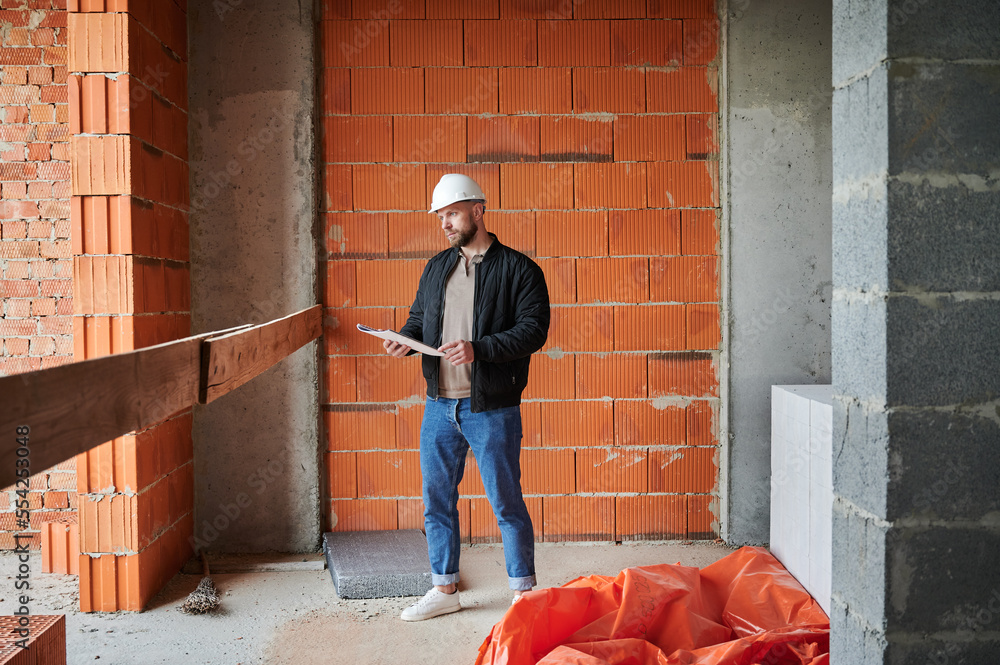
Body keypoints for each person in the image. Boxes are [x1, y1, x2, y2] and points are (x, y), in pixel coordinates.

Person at [383, 173, 550, 622]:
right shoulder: (437, 267)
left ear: (478, 210)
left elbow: (533, 331)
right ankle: (444, 588)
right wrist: (404, 338)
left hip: (491, 407)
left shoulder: (519, 269)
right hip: (439, 404)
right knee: (436, 501)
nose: (445, 223)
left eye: (452, 213)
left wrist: (479, 349)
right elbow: (420, 319)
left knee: (505, 501)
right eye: (440, 216)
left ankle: (523, 594)